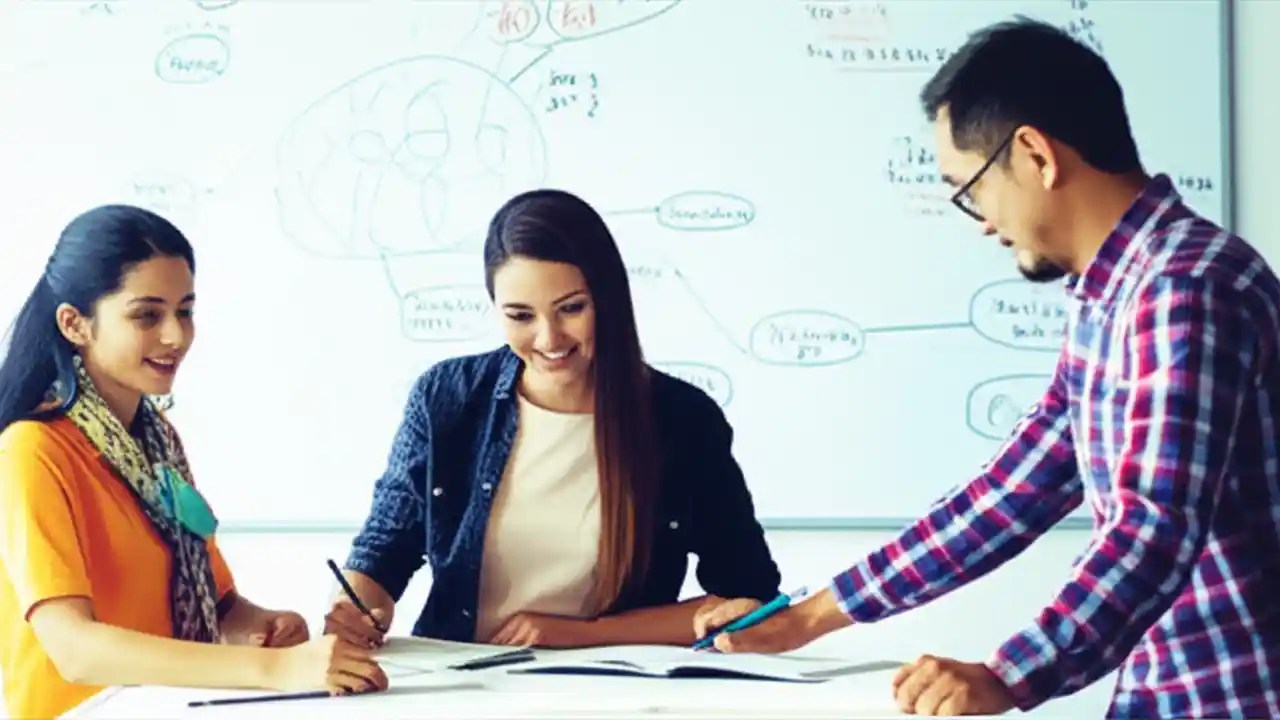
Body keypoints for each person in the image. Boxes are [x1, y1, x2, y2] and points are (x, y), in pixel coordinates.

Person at [692, 18, 1280, 720]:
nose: (978, 220)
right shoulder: (1110, 295)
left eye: (969, 186)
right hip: (1166, 688)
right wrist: (809, 617)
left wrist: (1008, 675)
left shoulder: (1185, 289)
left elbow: (1153, 527)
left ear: (1034, 153)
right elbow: (1015, 490)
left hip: (1237, 695)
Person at [324, 188, 781, 650]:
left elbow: (748, 597)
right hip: (456, 679)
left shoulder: (683, 420)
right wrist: (352, 610)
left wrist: (585, 635)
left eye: (571, 308)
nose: (549, 338)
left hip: (615, 689)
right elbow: (383, 551)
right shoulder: (447, 398)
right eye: (520, 316)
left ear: (608, 298)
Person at [0, 205, 387, 719]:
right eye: (146, 315)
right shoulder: (32, 450)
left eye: (184, 310)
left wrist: (269, 629)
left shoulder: (157, 442)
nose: (176, 336)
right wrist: (278, 672)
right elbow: (74, 650)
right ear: (75, 324)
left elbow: (218, 603)